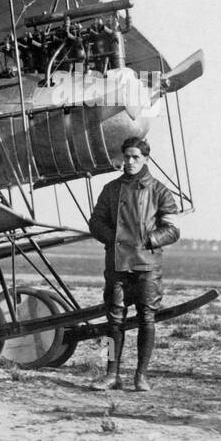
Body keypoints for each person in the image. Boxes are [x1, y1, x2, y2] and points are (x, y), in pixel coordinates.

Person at [87, 137, 180, 392]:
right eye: (126, 156)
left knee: (147, 319)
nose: (129, 162)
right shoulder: (110, 189)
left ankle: (141, 376)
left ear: (146, 159)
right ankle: (111, 374)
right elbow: (95, 222)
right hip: (117, 263)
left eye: (135, 157)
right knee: (113, 321)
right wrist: (113, 239)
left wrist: (148, 240)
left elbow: (172, 230)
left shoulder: (160, 190)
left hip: (147, 265)